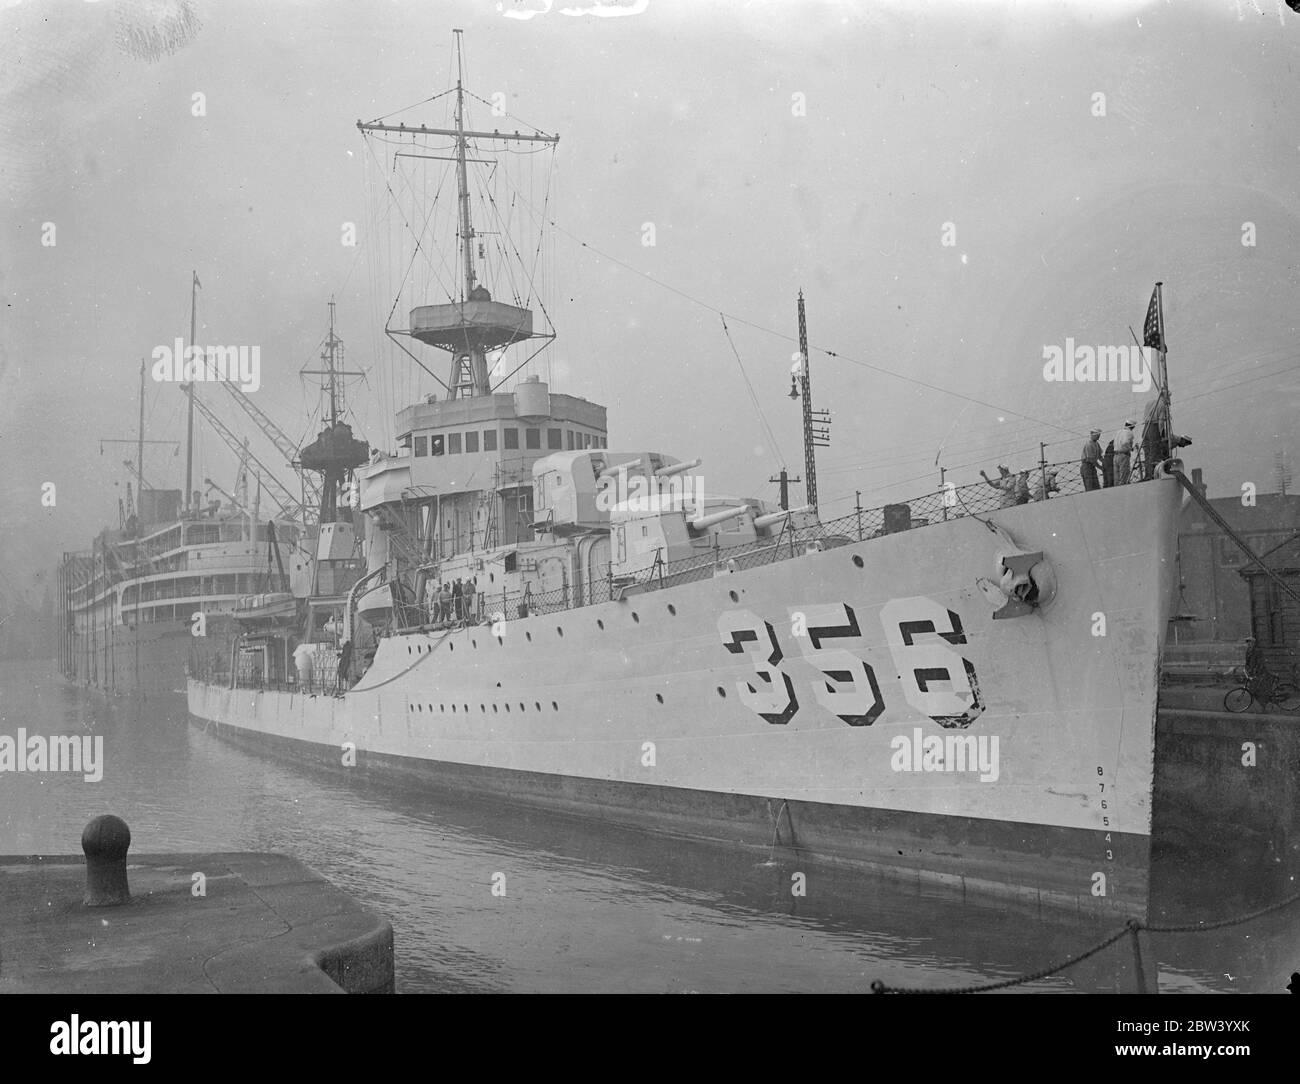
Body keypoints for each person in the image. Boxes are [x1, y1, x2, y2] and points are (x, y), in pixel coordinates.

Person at [1113, 420, 1135, 485]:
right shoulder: (1129, 432)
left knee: (1117, 477)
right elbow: (1125, 442)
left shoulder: (1118, 432)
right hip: (1123, 455)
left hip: (1116, 455)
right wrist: (1130, 448)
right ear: (1132, 426)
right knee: (1124, 476)